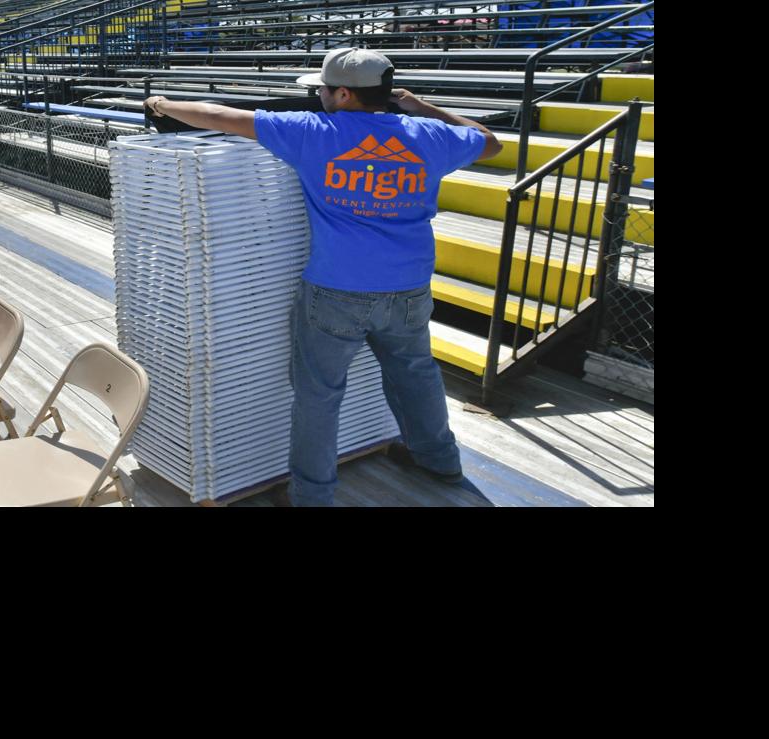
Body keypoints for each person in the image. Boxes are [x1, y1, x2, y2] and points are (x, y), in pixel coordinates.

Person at [145, 47, 502, 506]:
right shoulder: (429, 135)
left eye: (323, 90)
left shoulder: (314, 133)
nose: (320, 97)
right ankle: (441, 461)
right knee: (417, 376)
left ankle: (312, 497)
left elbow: (218, 116)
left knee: (319, 395)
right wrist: (419, 106)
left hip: (336, 290)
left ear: (345, 93)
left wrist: (161, 106)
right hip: (409, 288)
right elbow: (489, 142)